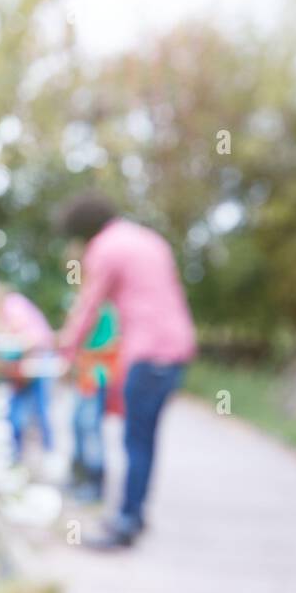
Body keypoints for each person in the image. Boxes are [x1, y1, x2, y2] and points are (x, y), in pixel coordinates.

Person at [55, 191, 196, 548]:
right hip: (176, 347)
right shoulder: (148, 240)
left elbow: (89, 306)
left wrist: (66, 351)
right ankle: (133, 515)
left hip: (148, 352)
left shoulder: (104, 248)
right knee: (144, 438)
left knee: (136, 439)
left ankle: (126, 523)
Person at [0, 281, 55, 466]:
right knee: (16, 416)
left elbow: (30, 340)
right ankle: (18, 459)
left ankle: (47, 458)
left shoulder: (13, 305)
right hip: (19, 367)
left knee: (40, 412)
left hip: (38, 359)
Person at [68, 302, 119, 503]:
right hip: (85, 379)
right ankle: (79, 478)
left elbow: (111, 346)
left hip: (97, 378)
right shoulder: (90, 305)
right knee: (78, 426)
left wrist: (84, 355)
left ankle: (94, 484)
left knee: (90, 430)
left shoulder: (103, 309)